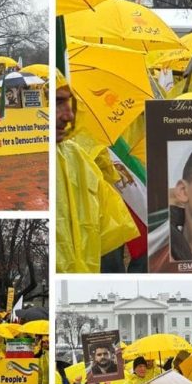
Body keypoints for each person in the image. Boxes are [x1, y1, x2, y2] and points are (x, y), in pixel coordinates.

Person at [55, 70, 138, 272]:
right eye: (57, 102)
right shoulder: (75, 154)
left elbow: (109, 225)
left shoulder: (76, 157)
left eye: (68, 104)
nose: (69, 115)